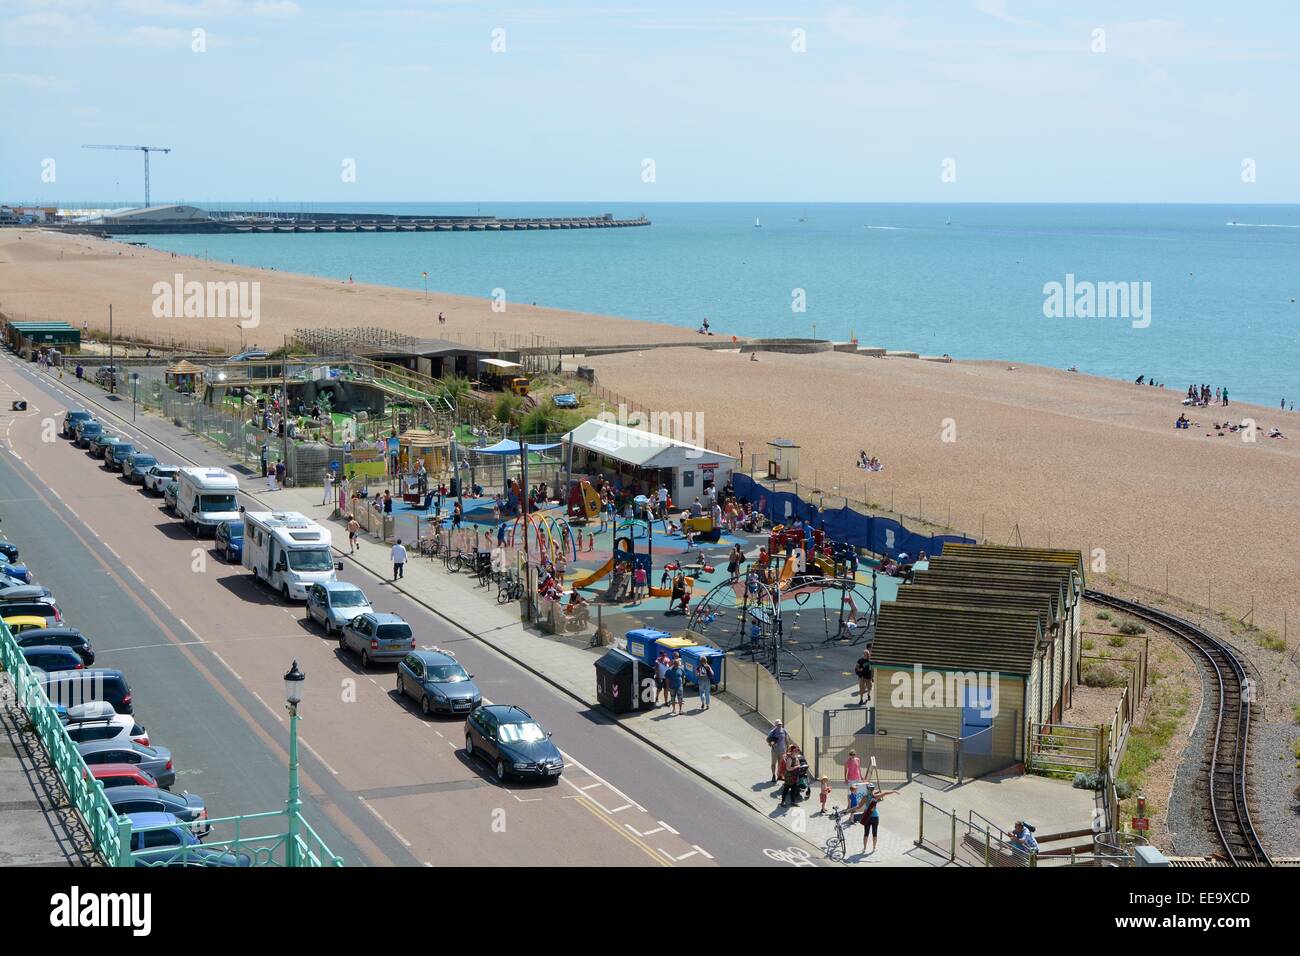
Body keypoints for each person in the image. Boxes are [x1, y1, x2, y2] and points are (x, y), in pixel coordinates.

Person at [861, 783, 894, 854]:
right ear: (873, 790)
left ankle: (864, 848)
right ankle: (874, 848)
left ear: (867, 789)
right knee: (874, 833)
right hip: (875, 817)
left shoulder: (865, 797)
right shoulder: (875, 796)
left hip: (867, 817)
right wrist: (894, 791)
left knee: (866, 833)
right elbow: (886, 793)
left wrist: (849, 810)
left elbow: (859, 806)